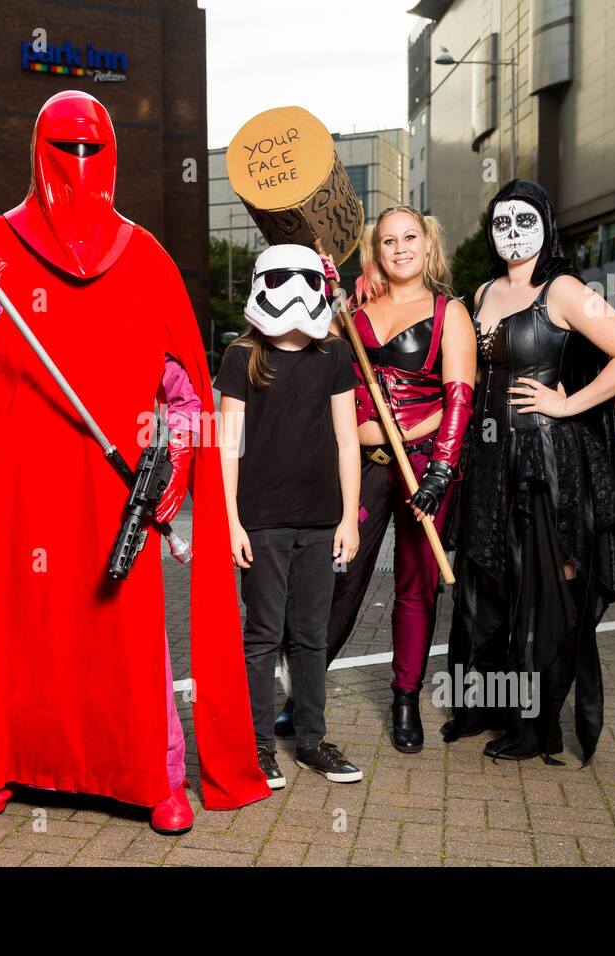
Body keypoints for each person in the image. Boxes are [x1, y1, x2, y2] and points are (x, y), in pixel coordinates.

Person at [0, 90, 269, 836]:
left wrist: (169, 476)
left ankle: (153, 772)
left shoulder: (144, 257)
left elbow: (185, 390)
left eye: (91, 150)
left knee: (129, 636)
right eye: (63, 148)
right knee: (23, 627)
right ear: (37, 151)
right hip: (20, 487)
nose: (77, 165)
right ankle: (7, 762)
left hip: (114, 489)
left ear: (111, 158)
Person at [442, 180, 615, 764]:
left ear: (546, 226)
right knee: (490, 588)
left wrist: (567, 403)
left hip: (545, 465)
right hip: (487, 464)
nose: (511, 232)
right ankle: (488, 706)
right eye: (501, 221)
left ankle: (538, 727)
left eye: (524, 220)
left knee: (543, 592)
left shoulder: (562, 289)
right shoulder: (480, 292)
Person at [274, 206, 476, 755]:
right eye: (389, 241)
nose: (401, 247)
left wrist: (441, 469)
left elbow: (460, 398)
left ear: (428, 245)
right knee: (337, 574)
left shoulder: (448, 312)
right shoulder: (353, 315)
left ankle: (405, 699)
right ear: (377, 251)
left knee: (416, 585)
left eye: (411, 237)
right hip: (362, 464)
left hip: (426, 464)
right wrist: (318, 287)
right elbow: (309, 354)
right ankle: (303, 692)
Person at [216, 243, 363, 789]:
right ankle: (258, 747)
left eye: (304, 277)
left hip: (322, 520)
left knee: (310, 635)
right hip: (262, 522)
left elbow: (348, 440)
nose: (294, 289)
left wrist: (349, 518)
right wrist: (231, 521)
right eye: (281, 277)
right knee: (261, 635)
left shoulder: (334, 355)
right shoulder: (241, 357)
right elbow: (227, 447)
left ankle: (310, 741)